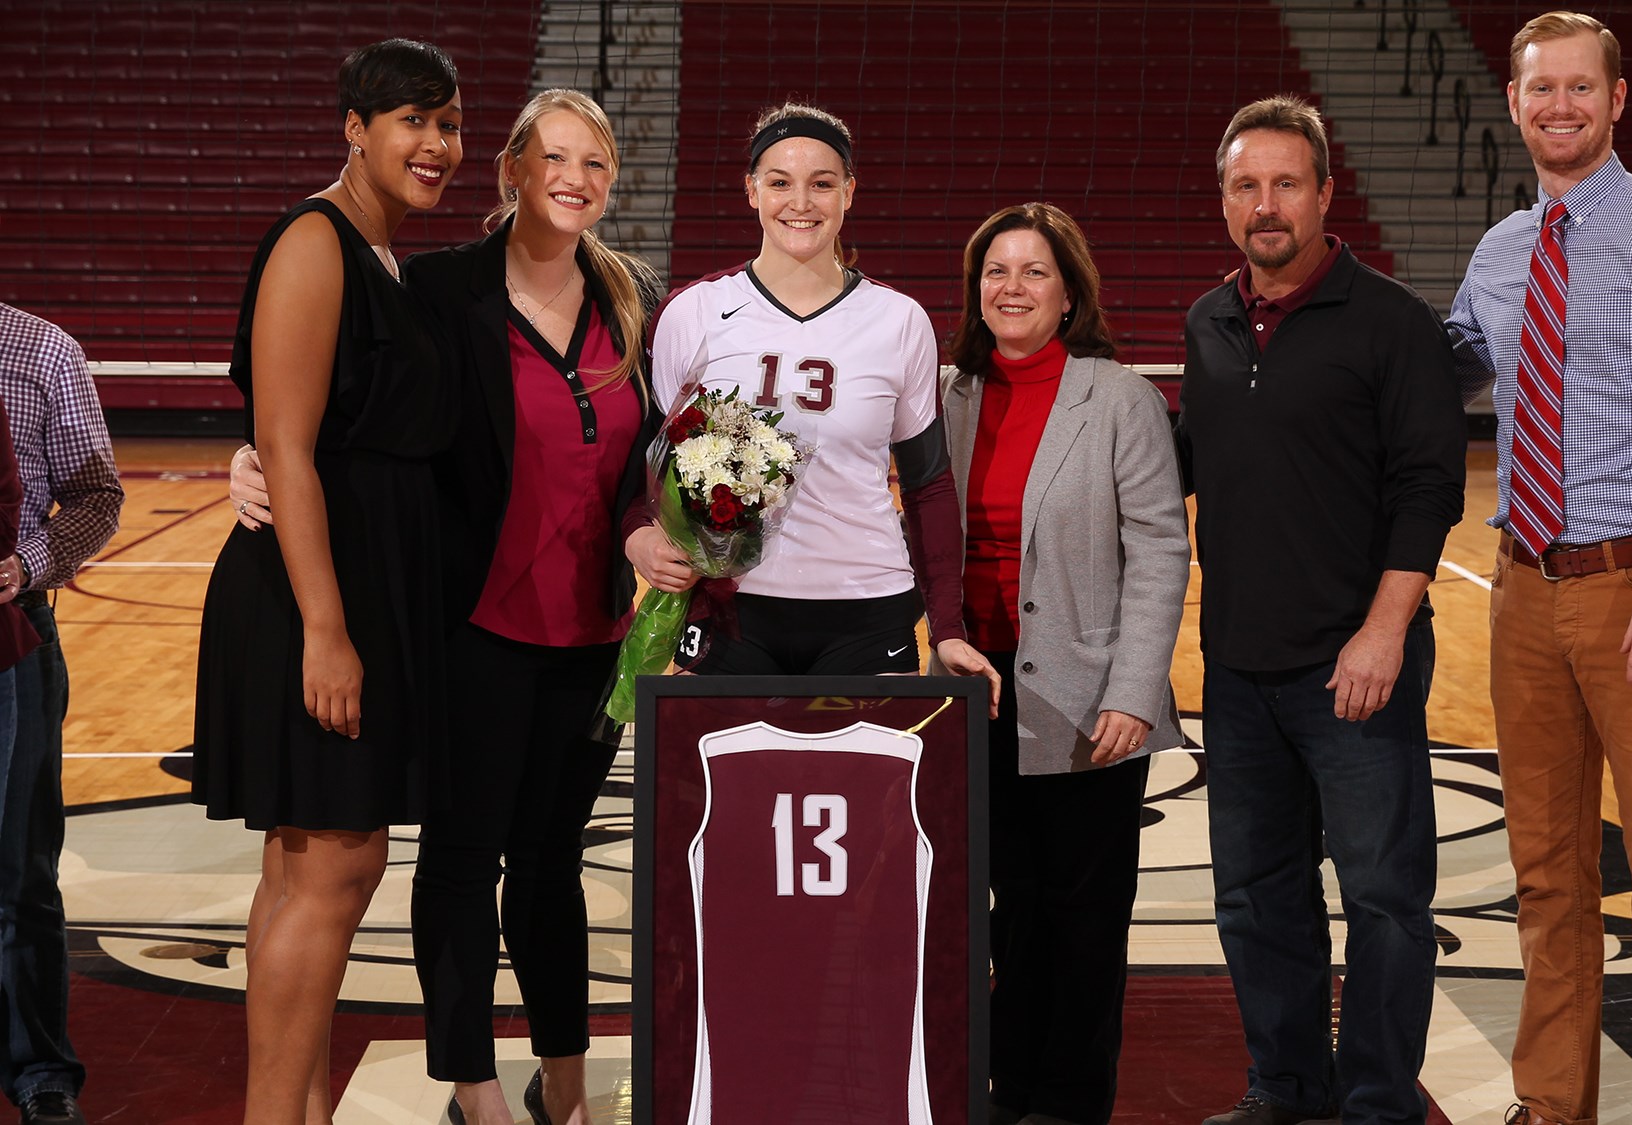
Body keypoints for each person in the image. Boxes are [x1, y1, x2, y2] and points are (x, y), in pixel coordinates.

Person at [230, 90, 673, 1125]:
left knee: (553, 864)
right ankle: (473, 1091)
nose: (575, 179)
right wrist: (253, 451)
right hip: (471, 627)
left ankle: (563, 1084)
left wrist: (648, 531)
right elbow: (335, 400)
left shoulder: (632, 297)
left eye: (595, 164)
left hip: (592, 637)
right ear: (511, 171)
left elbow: (636, 468)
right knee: (465, 861)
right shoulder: (438, 289)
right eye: (554, 158)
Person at [1446, 12, 1632, 1125]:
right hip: (1522, 590)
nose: (1558, 106)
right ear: (1515, 102)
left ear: (1615, 101)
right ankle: (1549, 1103)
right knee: (1545, 879)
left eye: (1580, 88)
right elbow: (1439, 381)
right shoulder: (1498, 253)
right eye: (1539, 90)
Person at [1179, 95, 1465, 1125]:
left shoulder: (1390, 321)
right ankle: (1284, 1089)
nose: (1266, 205)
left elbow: (1429, 488)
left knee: (1384, 901)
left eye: (1284, 183)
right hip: (1238, 671)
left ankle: (1379, 1103)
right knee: (1256, 900)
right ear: (1222, 203)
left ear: (1323, 194)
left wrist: (1382, 631)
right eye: (1245, 186)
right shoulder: (1206, 322)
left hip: (1354, 670)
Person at [191, 39, 463, 1125]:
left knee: (329, 872)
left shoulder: (386, 253)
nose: (436, 145)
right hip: (317, 598)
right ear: (354, 126)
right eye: (412, 121)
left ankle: (298, 1112)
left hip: (368, 592)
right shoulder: (314, 240)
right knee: (324, 873)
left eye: (448, 125)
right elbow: (288, 447)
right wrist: (325, 628)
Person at [938, 203, 1188, 1125]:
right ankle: (1008, 1087)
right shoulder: (950, 398)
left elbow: (1161, 550)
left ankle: (1071, 1102)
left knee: (1084, 916)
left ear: (1071, 291)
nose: (1011, 287)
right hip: (978, 688)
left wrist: (1133, 691)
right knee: (1008, 910)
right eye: (995, 271)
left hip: (1088, 697)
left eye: (1033, 272)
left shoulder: (1119, 397)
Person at [647, 103, 997, 699]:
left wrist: (947, 628)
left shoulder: (899, 320)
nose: (801, 202)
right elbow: (648, 462)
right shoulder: (693, 313)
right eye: (780, 182)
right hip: (733, 609)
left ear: (850, 193)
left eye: (822, 183)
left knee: (869, 791)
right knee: (727, 791)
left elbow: (929, 484)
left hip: (867, 610)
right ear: (752, 191)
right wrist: (642, 533)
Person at [0, 299, 110, 1125]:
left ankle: (40, 1071)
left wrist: (25, 564)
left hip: (15, 630)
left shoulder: (41, 350)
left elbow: (96, 498)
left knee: (23, 865)